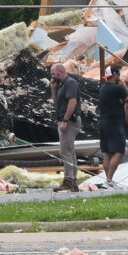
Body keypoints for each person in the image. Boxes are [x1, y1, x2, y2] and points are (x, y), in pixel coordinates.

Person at [51, 62, 84, 190]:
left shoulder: (70, 82)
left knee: (65, 151)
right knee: (70, 150)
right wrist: (53, 89)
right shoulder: (61, 85)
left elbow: (73, 102)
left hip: (70, 120)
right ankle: (73, 180)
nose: (53, 77)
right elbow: (57, 103)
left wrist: (65, 120)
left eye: (53, 74)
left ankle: (68, 180)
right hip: (66, 119)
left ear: (60, 72)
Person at [96, 60, 128, 187]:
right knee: (119, 150)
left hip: (104, 122)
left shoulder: (103, 88)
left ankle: (108, 181)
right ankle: (109, 180)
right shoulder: (117, 88)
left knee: (107, 152)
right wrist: (124, 85)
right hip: (115, 123)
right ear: (115, 75)